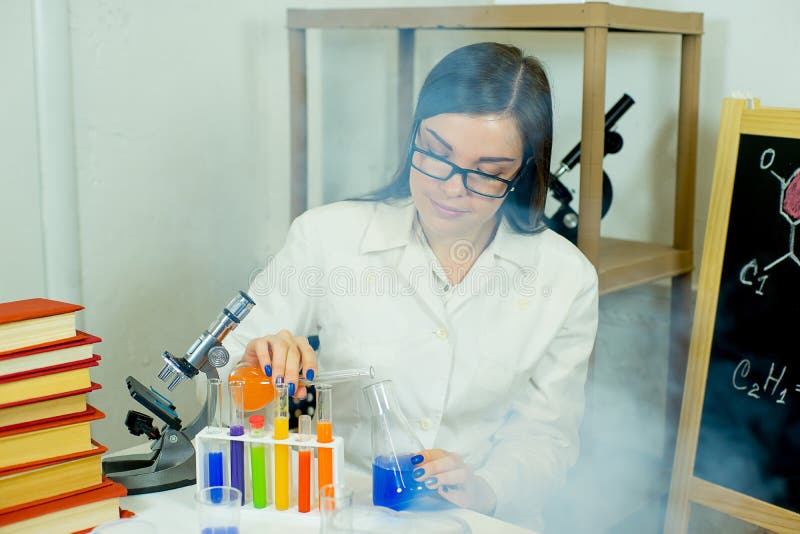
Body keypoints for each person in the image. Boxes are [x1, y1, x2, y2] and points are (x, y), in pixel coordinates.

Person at [222, 42, 598, 530]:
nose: (451, 187)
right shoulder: (327, 237)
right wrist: (254, 367)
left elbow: (548, 436)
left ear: (524, 169)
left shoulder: (565, 278)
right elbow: (223, 378)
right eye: (437, 154)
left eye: (488, 173)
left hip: (470, 518)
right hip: (337, 508)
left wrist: (489, 487)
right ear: (414, 135)